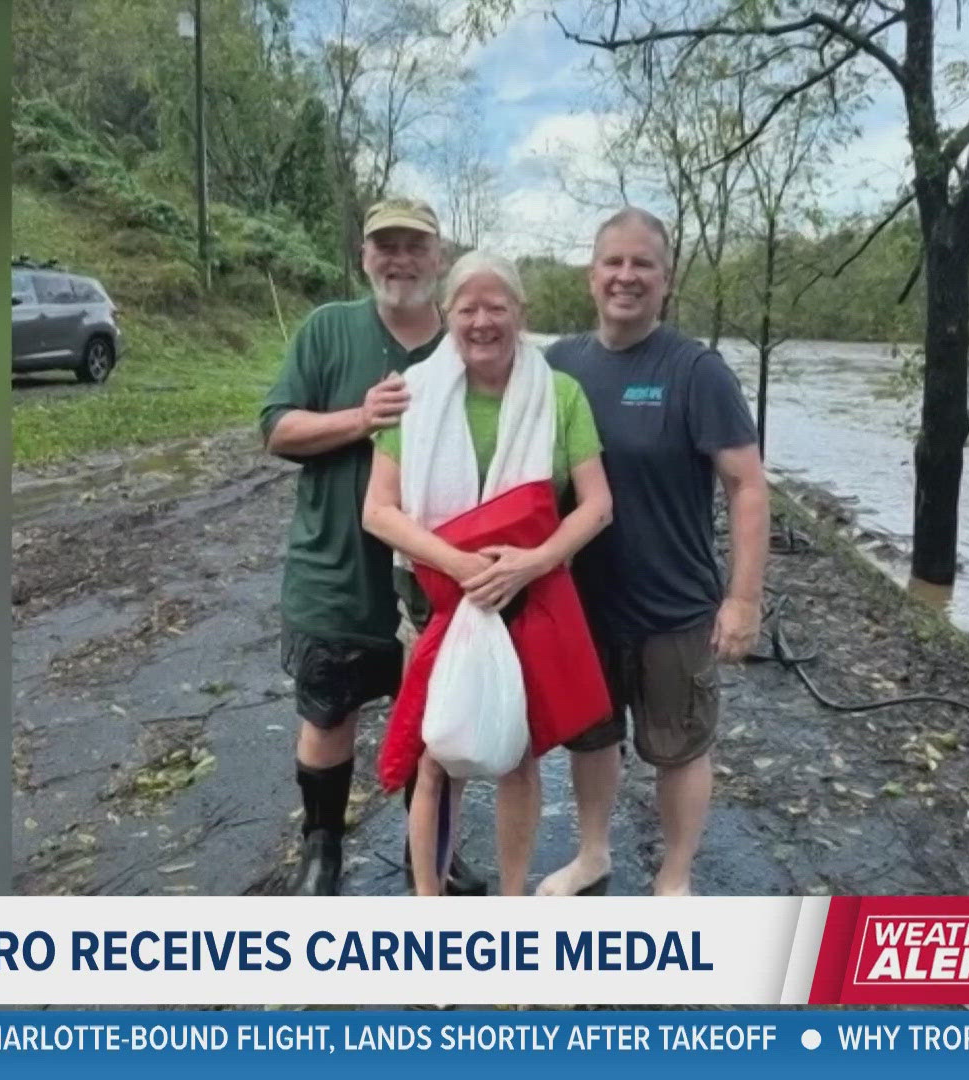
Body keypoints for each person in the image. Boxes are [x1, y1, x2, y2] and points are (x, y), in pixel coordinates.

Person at [362, 250, 613, 896]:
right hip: (436, 604)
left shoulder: (559, 395)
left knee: (515, 756)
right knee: (436, 756)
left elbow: (598, 505)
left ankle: (509, 905)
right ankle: (427, 903)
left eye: (496, 306)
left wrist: (530, 563)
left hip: (524, 603)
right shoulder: (415, 394)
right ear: (446, 314)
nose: (481, 321)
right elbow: (378, 511)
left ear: (521, 314)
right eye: (467, 307)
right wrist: (458, 566)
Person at [539, 207, 770, 897]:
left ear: (666, 281)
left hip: (674, 610)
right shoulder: (560, 365)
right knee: (591, 739)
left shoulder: (696, 371)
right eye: (614, 262)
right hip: (585, 606)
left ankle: (674, 878)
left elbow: (748, 487)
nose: (626, 276)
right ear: (592, 275)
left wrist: (744, 599)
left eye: (643, 264)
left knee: (680, 748)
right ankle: (593, 854)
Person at [259, 198, 447, 896]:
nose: (400, 259)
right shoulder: (327, 329)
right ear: (364, 255)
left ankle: (429, 849)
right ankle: (321, 849)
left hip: (435, 579)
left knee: (435, 725)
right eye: (384, 245)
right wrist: (360, 418)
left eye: (414, 245)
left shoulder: (463, 343)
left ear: (439, 256)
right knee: (328, 713)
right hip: (333, 571)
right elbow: (277, 428)